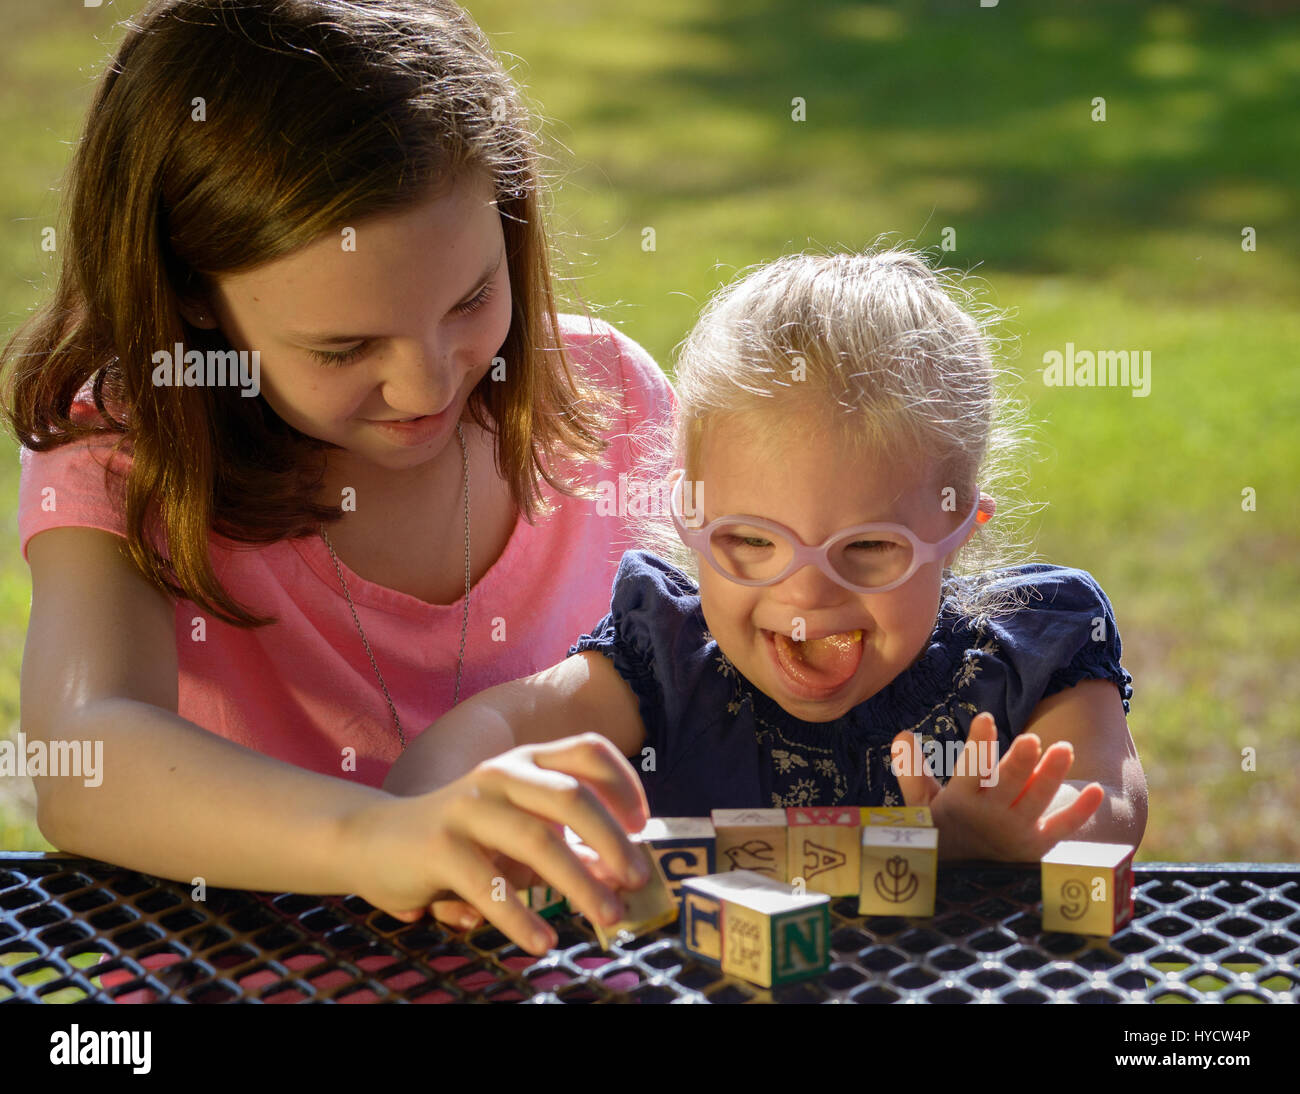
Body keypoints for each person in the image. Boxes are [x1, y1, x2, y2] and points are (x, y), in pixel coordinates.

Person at [3, 0, 676, 957]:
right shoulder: (129, 454)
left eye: (472, 297)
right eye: (346, 346)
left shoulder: (607, 400)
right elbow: (83, 759)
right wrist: (381, 838)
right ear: (194, 299)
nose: (430, 379)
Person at [385, 248, 1149, 863]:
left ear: (960, 532)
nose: (807, 595)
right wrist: (441, 822)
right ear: (690, 514)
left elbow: (1109, 803)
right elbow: (494, 729)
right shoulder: (668, 668)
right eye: (750, 541)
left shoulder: (1028, 654)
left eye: (870, 548)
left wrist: (1013, 831)